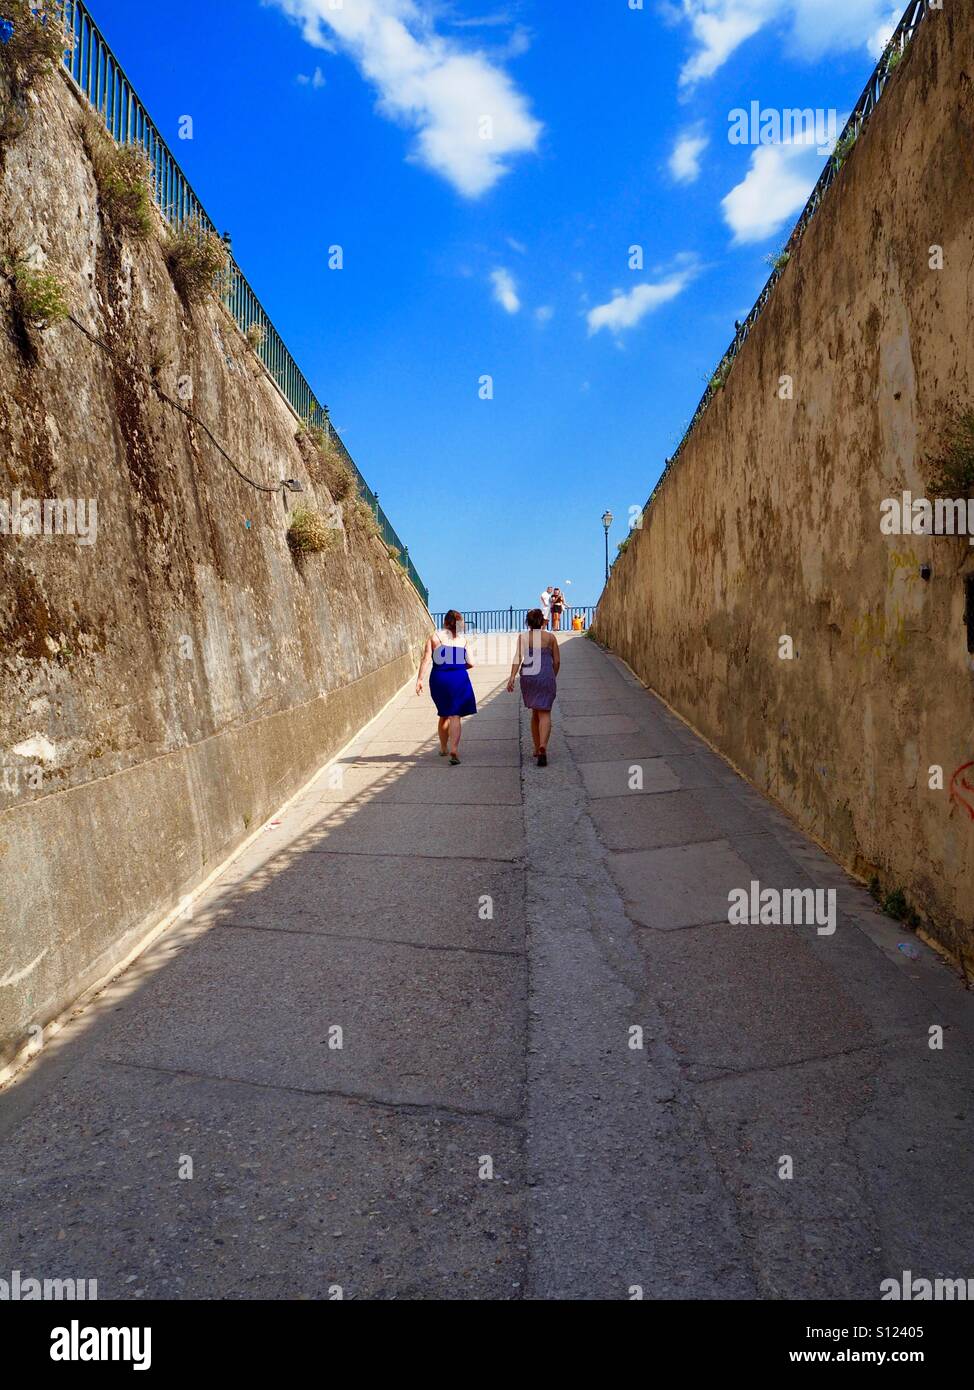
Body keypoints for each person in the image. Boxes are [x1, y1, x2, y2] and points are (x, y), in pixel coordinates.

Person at [416, 610, 476, 764]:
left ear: (445, 621)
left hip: (440, 678)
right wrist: (457, 667)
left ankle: (443, 748)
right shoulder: (462, 640)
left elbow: (426, 658)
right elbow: (471, 663)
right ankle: (454, 748)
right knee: (455, 715)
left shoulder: (435, 637)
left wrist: (419, 679)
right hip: (459, 678)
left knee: (444, 714)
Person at [507, 608, 559, 766]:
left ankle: (537, 748)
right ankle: (543, 745)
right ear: (542, 621)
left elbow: (518, 657)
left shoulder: (523, 637)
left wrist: (512, 677)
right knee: (545, 713)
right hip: (545, 675)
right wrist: (552, 675)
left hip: (529, 677)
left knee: (535, 712)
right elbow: (556, 661)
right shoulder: (550, 638)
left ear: (527, 622)